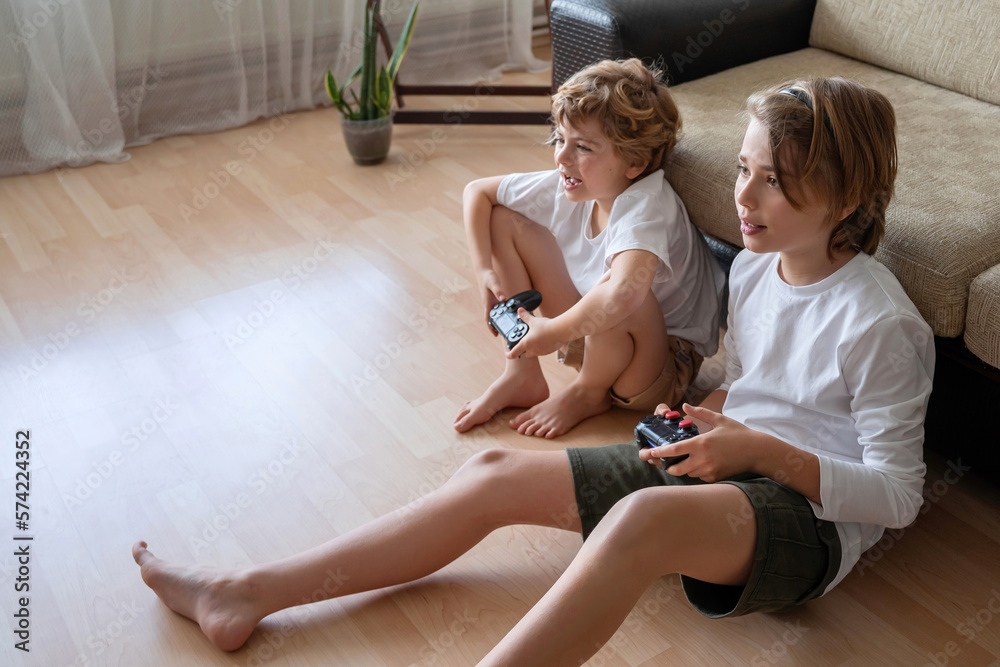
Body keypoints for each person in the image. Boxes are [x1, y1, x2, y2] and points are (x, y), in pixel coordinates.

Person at [132, 76, 934, 665]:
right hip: (730, 463)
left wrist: (760, 451)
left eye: (776, 182)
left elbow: (898, 496)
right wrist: (716, 415)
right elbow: (759, 384)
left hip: (810, 521)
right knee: (489, 472)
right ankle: (241, 591)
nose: (745, 195)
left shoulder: (882, 322)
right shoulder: (757, 269)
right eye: (744, 169)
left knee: (639, 524)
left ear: (847, 194)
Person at [453, 58, 723, 438]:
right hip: (594, 333)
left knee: (624, 288)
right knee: (503, 219)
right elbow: (477, 192)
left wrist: (551, 332)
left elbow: (624, 295)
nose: (562, 158)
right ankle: (521, 373)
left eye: (582, 147)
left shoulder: (647, 207)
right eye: (559, 139)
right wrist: (485, 272)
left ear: (635, 162)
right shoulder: (573, 182)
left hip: (658, 365)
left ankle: (587, 392)